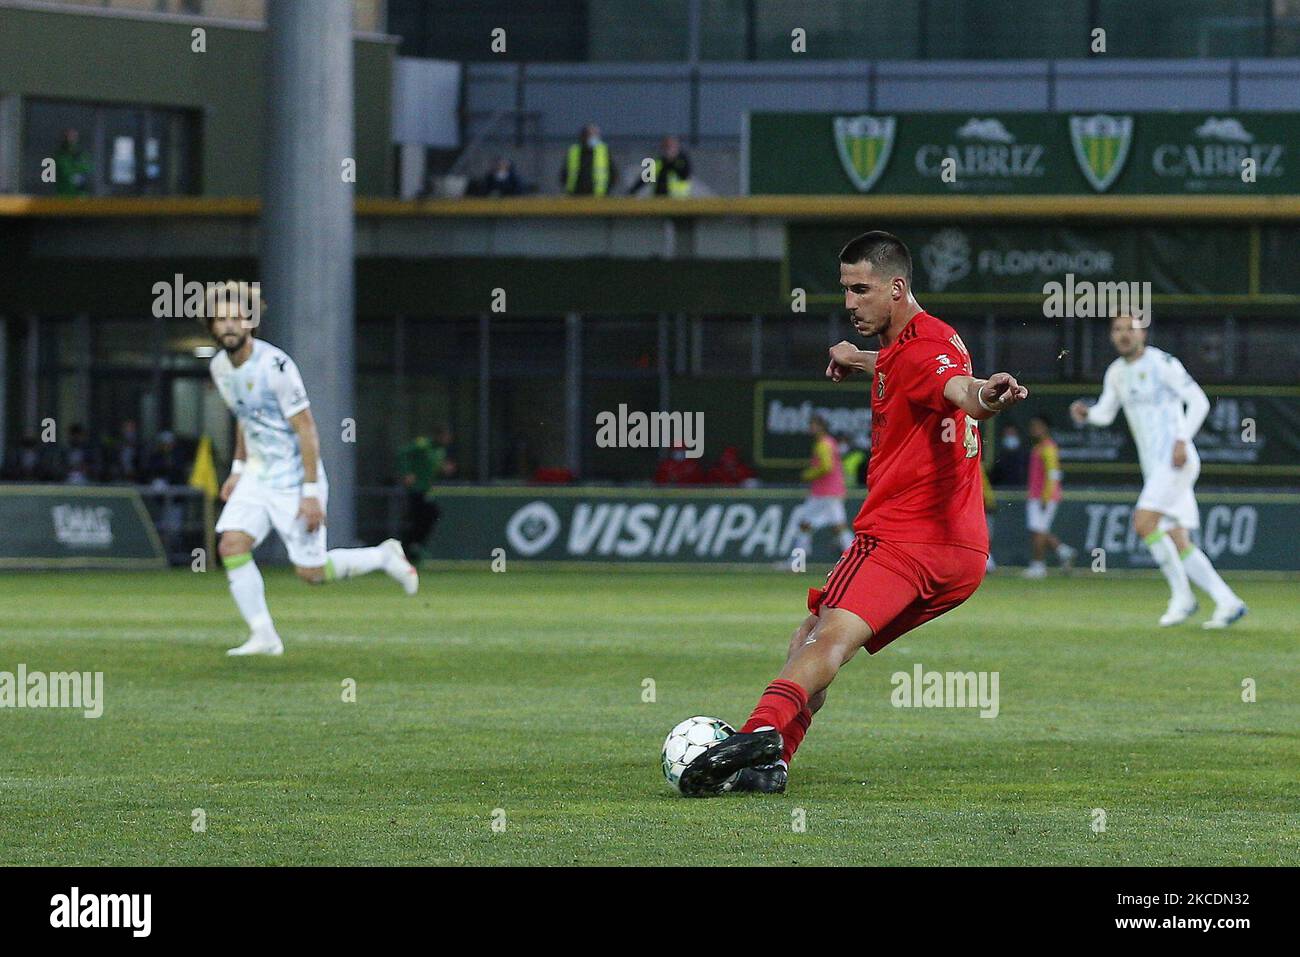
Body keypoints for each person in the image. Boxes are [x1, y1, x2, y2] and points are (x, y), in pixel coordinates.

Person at [679, 231, 1028, 796]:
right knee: (813, 637)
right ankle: (771, 765)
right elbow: (914, 371)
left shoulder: (921, 353)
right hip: (962, 554)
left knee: (823, 639)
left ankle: (757, 736)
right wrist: (857, 357)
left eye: (860, 290)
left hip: (902, 538)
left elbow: (960, 391)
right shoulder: (929, 340)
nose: (849, 302)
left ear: (896, 286)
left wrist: (989, 396)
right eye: (844, 290)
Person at [205, 281, 419, 657]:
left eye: (236, 318)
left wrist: (309, 492)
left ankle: (383, 556)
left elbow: (306, 427)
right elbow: (244, 415)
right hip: (257, 474)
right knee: (231, 545)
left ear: (251, 322)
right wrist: (238, 467)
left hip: (293, 479)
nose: (228, 326)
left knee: (311, 573)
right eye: (221, 319)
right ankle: (264, 636)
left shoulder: (276, 367)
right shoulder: (220, 367)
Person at [1070, 314, 1246, 629]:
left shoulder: (1163, 363)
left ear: (1143, 333)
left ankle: (1183, 597)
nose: (1124, 335)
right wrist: (1088, 414)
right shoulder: (1116, 373)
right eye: (1118, 330)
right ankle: (1227, 601)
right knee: (1178, 537)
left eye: (1130, 329)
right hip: (1155, 468)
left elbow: (1199, 402)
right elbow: (1106, 414)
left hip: (1175, 460)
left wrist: (1182, 439)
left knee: (1143, 522)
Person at [792, 415, 854, 559]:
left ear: (821, 427)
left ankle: (796, 563)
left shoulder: (823, 444)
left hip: (823, 493)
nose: (810, 429)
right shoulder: (830, 442)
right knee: (839, 528)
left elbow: (827, 467)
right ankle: (857, 560)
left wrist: (808, 474)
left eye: (813, 425)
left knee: (804, 525)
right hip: (832, 492)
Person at [1022, 414, 1076, 578]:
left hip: (1043, 497)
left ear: (1045, 427)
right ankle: (1064, 551)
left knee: (1039, 531)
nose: (1034, 429)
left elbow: (1053, 474)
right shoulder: (1039, 447)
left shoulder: (1048, 448)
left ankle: (1038, 566)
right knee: (1038, 531)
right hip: (1037, 495)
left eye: (1037, 426)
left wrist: (1046, 497)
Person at [397, 430, 455, 562]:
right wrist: (407, 472)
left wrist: (444, 468)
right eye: (445, 436)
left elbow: (431, 467)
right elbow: (402, 453)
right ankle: (409, 548)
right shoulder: (423, 445)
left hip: (426, 490)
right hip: (416, 489)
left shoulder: (440, 451)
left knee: (425, 517)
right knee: (427, 514)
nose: (447, 440)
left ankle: (412, 548)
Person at [560, 124, 614, 197]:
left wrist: (606, 191)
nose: (594, 138)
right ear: (583, 136)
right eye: (591, 135)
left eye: (596, 135)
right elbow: (564, 174)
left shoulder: (603, 151)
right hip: (575, 196)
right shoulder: (574, 151)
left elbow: (613, 174)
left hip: (599, 197)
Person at [54, 129, 92, 197]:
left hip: (81, 197)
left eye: (74, 137)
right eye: (68, 137)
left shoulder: (83, 155)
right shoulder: (60, 156)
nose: (71, 139)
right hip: (64, 195)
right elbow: (64, 171)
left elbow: (89, 169)